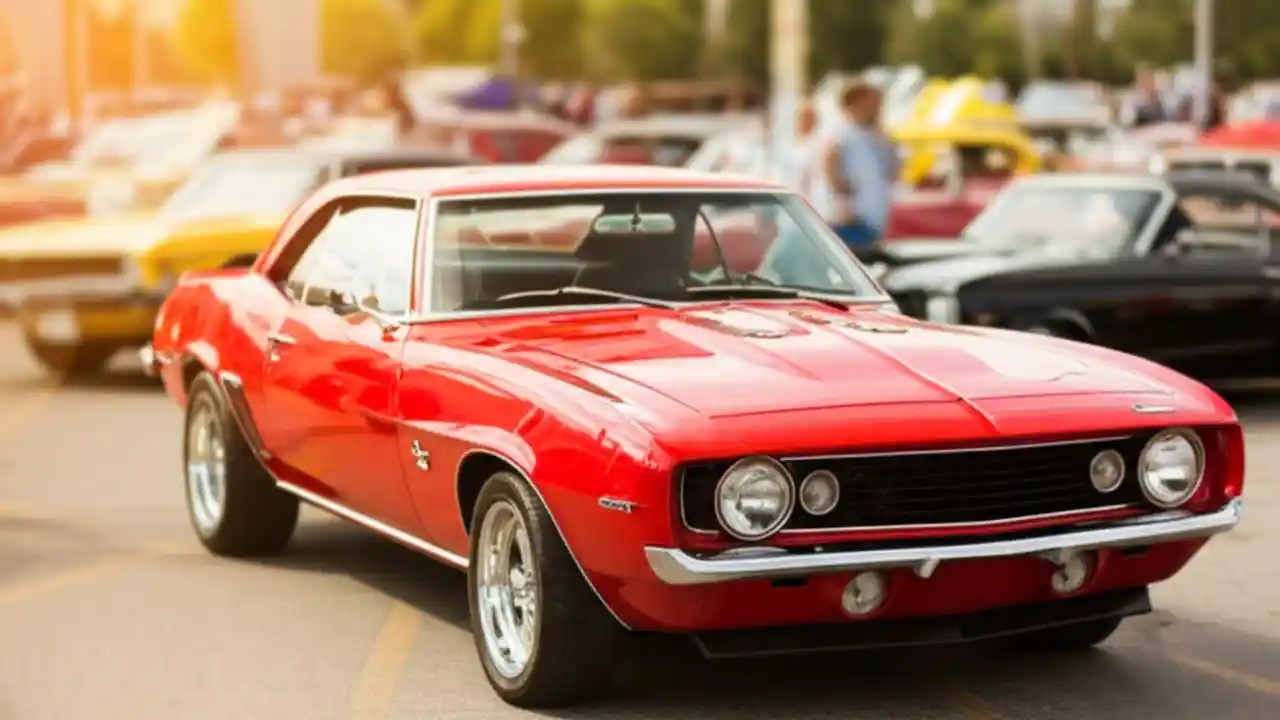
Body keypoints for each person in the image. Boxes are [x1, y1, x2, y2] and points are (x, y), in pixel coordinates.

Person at [824, 81, 899, 250]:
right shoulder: (841, 131)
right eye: (873, 101)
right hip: (851, 221)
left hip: (873, 220)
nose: (878, 107)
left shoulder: (874, 135)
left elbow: (892, 170)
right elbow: (829, 162)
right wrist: (842, 200)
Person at [787, 101, 834, 220]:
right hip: (795, 202)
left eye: (808, 118)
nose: (803, 122)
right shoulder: (796, 145)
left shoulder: (818, 144)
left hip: (814, 204)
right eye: (801, 118)